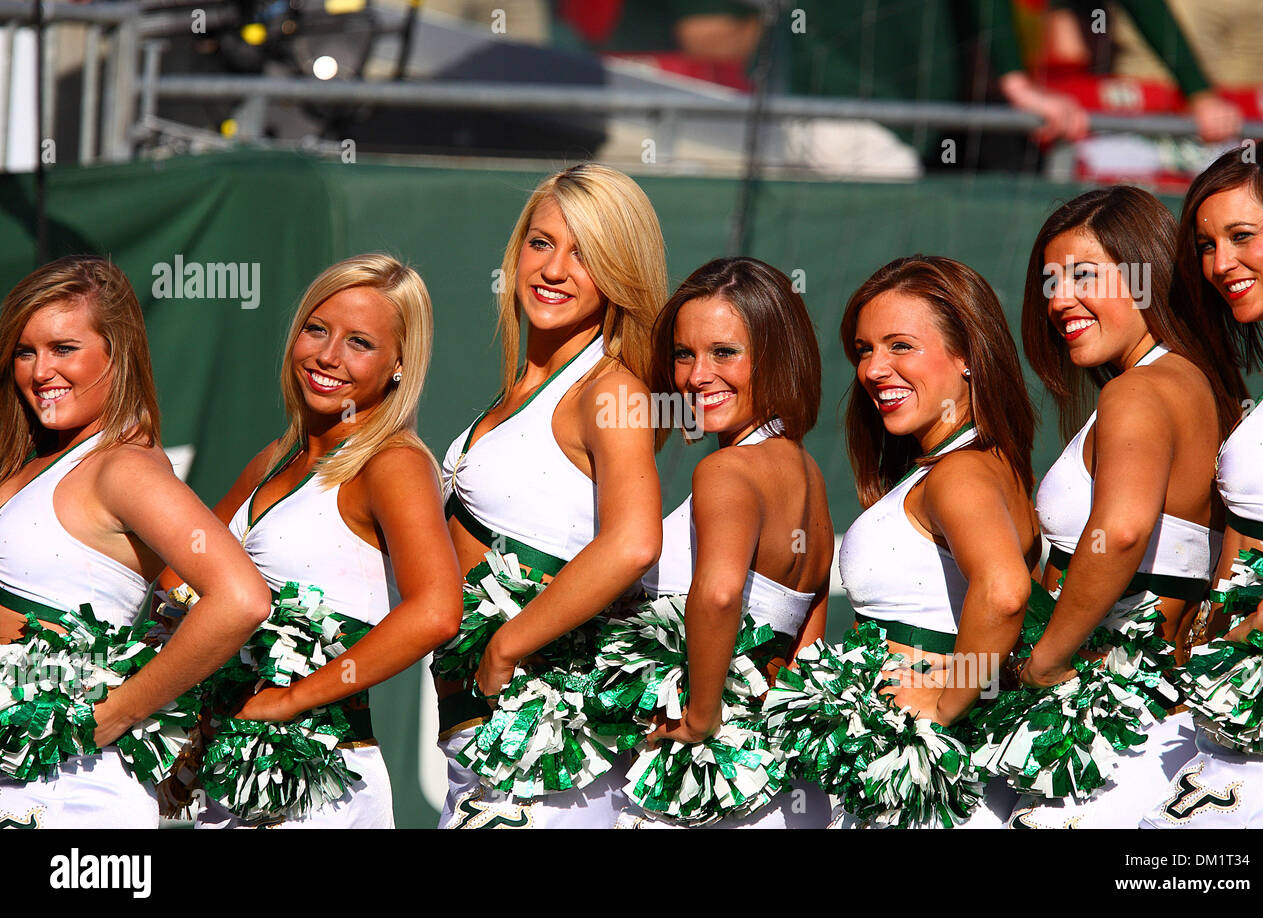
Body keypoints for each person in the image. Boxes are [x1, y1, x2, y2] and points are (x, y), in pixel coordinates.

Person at [173, 253, 462, 828]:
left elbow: (436, 611)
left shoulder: (393, 464)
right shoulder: (273, 459)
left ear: (399, 364)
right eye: (316, 329)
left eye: (360, 342)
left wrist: (290, 699)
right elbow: (178, 578)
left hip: (326, 780)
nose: (328, 357)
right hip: (233, 767)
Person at [0, 255, 270, 829]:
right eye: (27, 352)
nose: (40, 371)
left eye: (64, 349)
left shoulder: (122, 467)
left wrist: (118, 712)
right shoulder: (33, 461)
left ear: (115, 355)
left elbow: (241, 597)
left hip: (68, 783)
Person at [1004, 186, 1245, 828]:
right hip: (1154, 718)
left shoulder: (1138, 393)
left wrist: (1045, 658)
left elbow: (1123, 528)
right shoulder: (1189, 381)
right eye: (1051, 282)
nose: (1059, 301)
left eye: (1084, 276)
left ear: (1146, 274)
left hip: (1115, 723)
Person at [436, 162, 665, 829]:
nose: (554, 269)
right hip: (483, 739)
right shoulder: (526, 387)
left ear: (621, 272)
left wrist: (506, 647)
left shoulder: (610, 389)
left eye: (586, 255)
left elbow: (633, 542)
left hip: (544, 752)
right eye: (542, 243)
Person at [609, 256, 833, 828]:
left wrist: (699, 720)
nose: (697, 376)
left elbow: (717, 594)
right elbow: (808, 644)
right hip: (778, 783)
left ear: (777, 355)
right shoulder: (808, 475)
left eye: (724, 352)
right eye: (684, 354)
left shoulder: (727, 472)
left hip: (707, 783)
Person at [825, 254, 1039, 828]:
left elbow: (1005, 592)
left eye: (900, 346)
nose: (874, 369)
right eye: (865, 350)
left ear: (967, 356)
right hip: (920, 770)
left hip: (929, 779)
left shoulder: (961, 474)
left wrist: (944, 704)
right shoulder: (977, 463)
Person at [1142, 140, 1263, 828]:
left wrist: (1258, 627)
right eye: (1206, 246)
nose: (1220, 264)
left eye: (1242, 236)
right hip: (1252, 699)